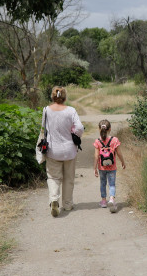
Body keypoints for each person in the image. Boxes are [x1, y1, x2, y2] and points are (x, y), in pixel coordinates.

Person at [43, 86, 84, 217]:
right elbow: (79, 128)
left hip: (52, 150)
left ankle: (54, 199)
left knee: (53, 177)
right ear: (65, 97)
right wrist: (74, 134)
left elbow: (43, 128)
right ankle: (67, 204)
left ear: (52, 97)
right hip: (69, 150)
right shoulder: (71, 111)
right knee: (69, 178)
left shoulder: (46, 110)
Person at [93, 119, 126, 213]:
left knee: (103, 183)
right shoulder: (114, 140)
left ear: (99, 129)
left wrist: (94, 168)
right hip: (112, 167)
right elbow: (119, 153)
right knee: (112, 184)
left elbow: (96, 156)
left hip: (101, 168)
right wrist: (123, 162)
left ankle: (103, 201)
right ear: (110, 129)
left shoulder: (97, 141)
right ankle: (111, 199)